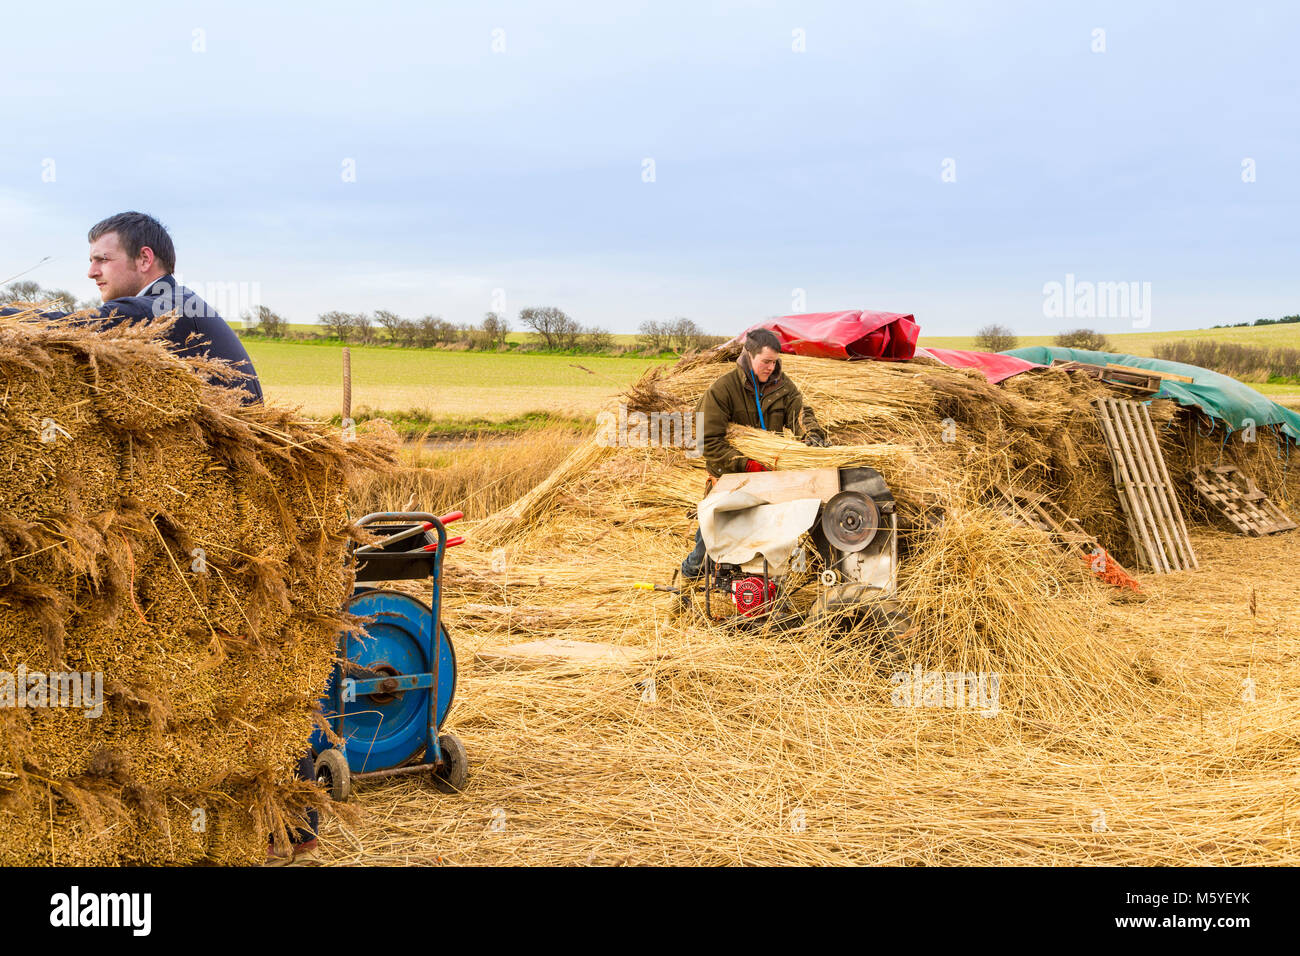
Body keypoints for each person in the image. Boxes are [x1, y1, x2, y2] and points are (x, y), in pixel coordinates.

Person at [3, 211, 263, 404]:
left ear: (144, 259)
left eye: (102, 260)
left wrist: (7, 318)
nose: (92, 272)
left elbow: (82, 325)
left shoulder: (172, 305)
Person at [680, 328, 829, 580]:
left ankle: (767, 577)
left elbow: (800, 414)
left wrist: (811, 434)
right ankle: (690, 577)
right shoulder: (722, 390)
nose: (771, 367)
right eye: (766, 361)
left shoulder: (782, 387)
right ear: (749, 356)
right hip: (731, 476)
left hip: (768, 474)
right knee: (712, 533)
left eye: (775, 362)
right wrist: (747, 465)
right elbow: (708, 443)